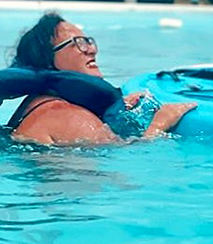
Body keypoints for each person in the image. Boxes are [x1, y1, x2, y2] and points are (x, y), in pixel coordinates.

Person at [7, 12, 195, 146]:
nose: (92, 49)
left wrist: (113, 108)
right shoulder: (65, 115)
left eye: (88, 41)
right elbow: (125, 161)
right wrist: (159, 124)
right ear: (47, 59)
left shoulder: (37, 104)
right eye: (78, 43)